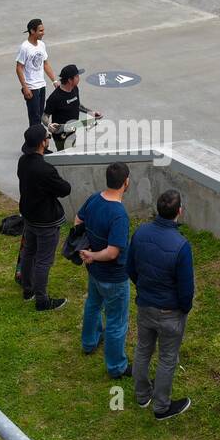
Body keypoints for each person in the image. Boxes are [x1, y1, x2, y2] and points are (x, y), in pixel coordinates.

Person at [127, 189, 195, 420]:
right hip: (170, 312)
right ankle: (162, 407)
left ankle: (141, 395)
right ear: (179, 211)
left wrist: (144, 290)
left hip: (145, 305)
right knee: (167, 358)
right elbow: (186, 289)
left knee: (143, 349)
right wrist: (183, 309)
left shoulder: (140, 233)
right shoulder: (181, 246)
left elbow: (130, 268)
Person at [76, 161, 133, 378]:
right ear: (125, 182)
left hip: (94, 273)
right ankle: (116, 366)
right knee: (116, 321)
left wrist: (85, 248)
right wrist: (93, 255)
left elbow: (78, 219)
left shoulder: (94, 199)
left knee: (93, 304)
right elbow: (112, 252)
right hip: (114, 277)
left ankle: (89, 342)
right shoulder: (119, 214)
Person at [17, 125, 71, 312]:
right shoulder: (45, 169)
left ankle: (27, 290)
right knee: (44, 260)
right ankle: (42, 300)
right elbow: (65, 189)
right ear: (43, 142)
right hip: (46, 220)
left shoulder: (23, 162)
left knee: (28, 253)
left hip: (29, 216)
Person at [44, 63, 102, 152]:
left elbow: (77, 104)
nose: (79, 78)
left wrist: (90, 112)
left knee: (72, 152)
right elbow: (44, 116)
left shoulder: (75, 89)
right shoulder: (55, 98)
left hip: (73, 129)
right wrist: (49, 125)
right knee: (65, 156)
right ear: (70, 80)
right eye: (77, 76)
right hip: (61, 135)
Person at [16, 18, 58, 129]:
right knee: (34, 119)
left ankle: (40, 142)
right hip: (31, 88)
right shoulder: (25, 47)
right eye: (40, 31)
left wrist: (54, 81)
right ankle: (35, 143)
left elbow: (45, 64)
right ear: (32, 31)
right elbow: (19, 68)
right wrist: (25, 87)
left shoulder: (41, 45)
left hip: (41, 85)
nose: (43, 33)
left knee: (39, 116)